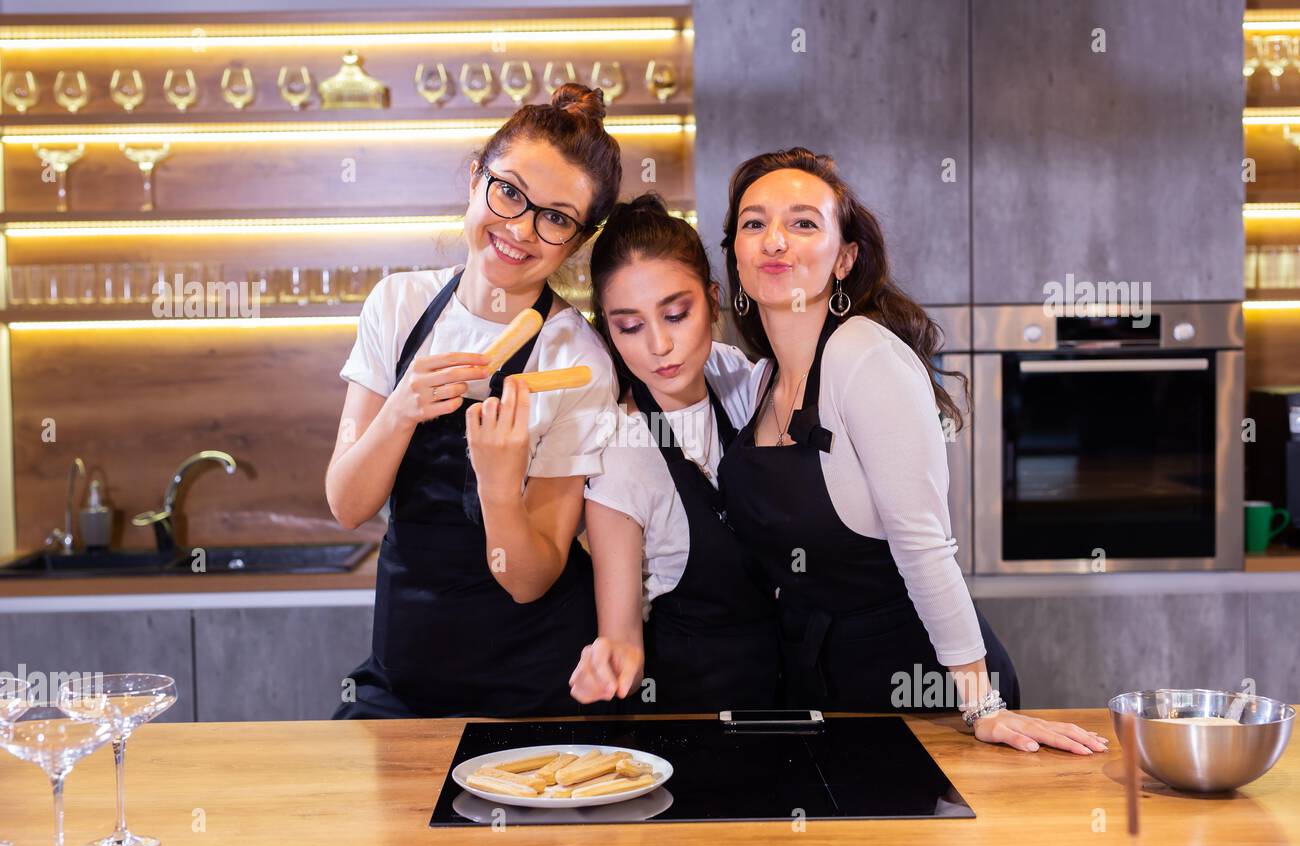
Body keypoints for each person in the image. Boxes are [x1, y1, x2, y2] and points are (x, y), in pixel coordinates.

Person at [716, 147, 1107, 754]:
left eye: (802, 223)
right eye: (754, 223)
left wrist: (982, 706)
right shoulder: (764, 380)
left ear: (844, 258)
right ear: (735, 254)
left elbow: (925, 548)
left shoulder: (863, 356)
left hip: (923, 692)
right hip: (818, 684)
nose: (774, 241)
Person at [326, 85, 621, 719]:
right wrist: (402, 408)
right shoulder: (397, 308)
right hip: (403, 678)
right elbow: (348, 505)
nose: (520, 229)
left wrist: (498, 484)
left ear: (578, 239)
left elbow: (530, 578)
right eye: (509, 191)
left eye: (556, 217)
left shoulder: (575, 362)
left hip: (531, 688)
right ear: (474, 179)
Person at [568, 194, 782, 713]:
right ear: (608, 333)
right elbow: (620, 634)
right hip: (690, 726)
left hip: (791, 705)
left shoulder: (738, 378)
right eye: (631, 326)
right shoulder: (620, 452)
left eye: (677, 314)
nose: (660, 345)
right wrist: (610, 660)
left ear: (712, 301)